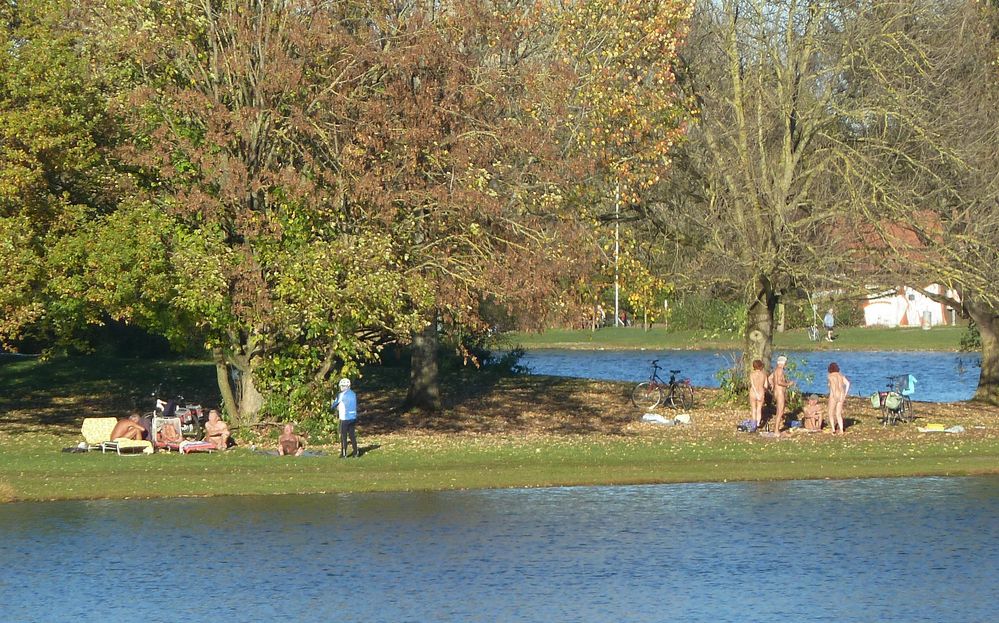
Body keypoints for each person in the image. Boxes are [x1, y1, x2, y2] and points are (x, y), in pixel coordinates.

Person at [331, 378, 359, 458]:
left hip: (344, 418)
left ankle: (344, 453)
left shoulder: (341, 395)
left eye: (341, 386)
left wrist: (335, 405)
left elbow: (334, 405)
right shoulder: (353, 394)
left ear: (344, 386)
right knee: (352, 435)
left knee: (343, 436)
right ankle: (355, 452)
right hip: (353, 417)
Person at [767, 355, 794, 434]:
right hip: (779, 392)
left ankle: (776, 429)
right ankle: (776, 430)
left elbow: (769, 378)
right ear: (783, 363)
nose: (786, 364)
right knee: (780, 411)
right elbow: (779, 382)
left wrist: (772, 385)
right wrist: (788, 384)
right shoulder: (780, 370)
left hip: (777, 392)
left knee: (780, 410)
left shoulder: (776, 370)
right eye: (786, 363)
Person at [827, 362, 850, 434]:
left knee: (830, 412)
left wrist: (834, 395)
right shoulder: (841, 375)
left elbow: (833, 387)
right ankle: (841, 430)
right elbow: (848, 383)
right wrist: (845, 393)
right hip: (841, 394)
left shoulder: (830, 376)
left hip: (834, 395)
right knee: (838, 413)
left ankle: (833, 429)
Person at [748, 359, 767, 431]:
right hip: (761, 392)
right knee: (759, 409)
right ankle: (758, 423)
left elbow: (752, 384)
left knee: (753, 408)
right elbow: (766, 385)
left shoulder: (752, 374)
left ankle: (753, 424)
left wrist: (755, 392)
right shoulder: (764, 375)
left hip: (753, 392)